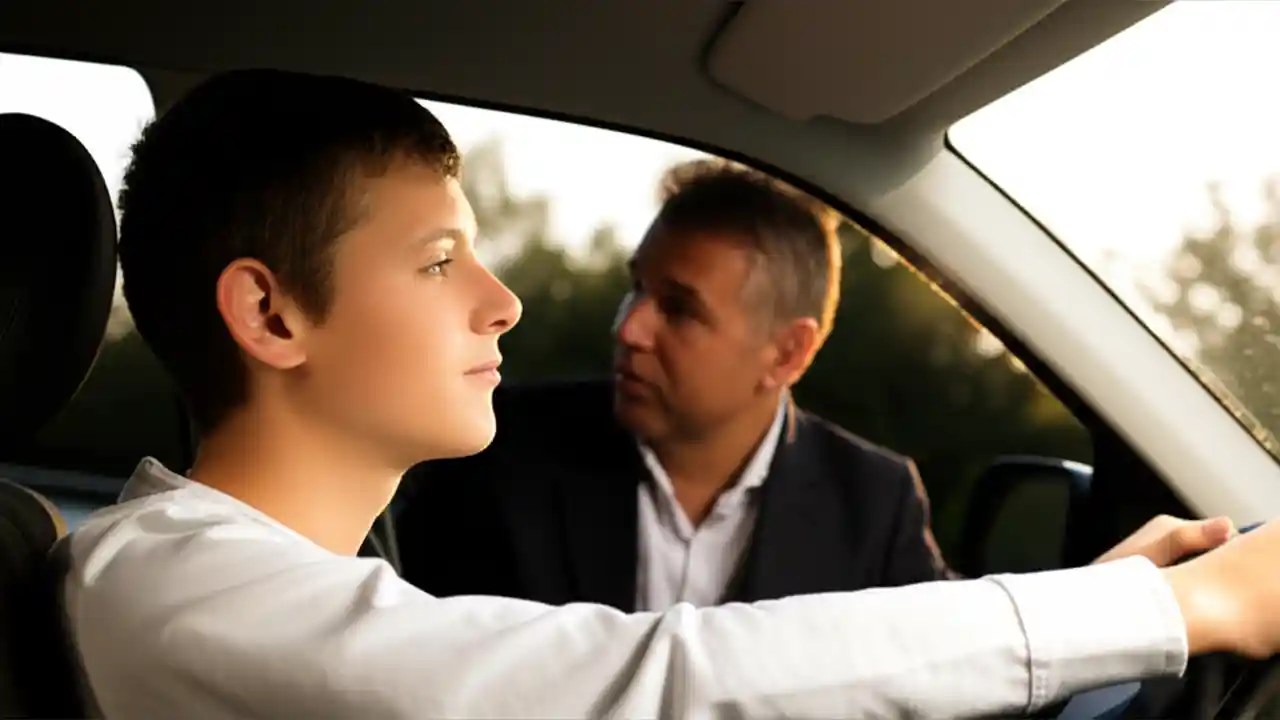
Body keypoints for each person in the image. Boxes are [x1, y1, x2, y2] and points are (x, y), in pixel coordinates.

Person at [59, 67, 1280, 720]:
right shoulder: (177, 587)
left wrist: (1099, 606)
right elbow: (651, 682)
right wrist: (1177, 611)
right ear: (271, 315)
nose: (506, 303)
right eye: (438, 263)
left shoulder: (257, 578)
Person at [397, 160, 952, 612]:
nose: (629, 327)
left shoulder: (874, 505)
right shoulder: (500, 449)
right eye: (636, 288)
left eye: (681, 310)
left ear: (788, 353)